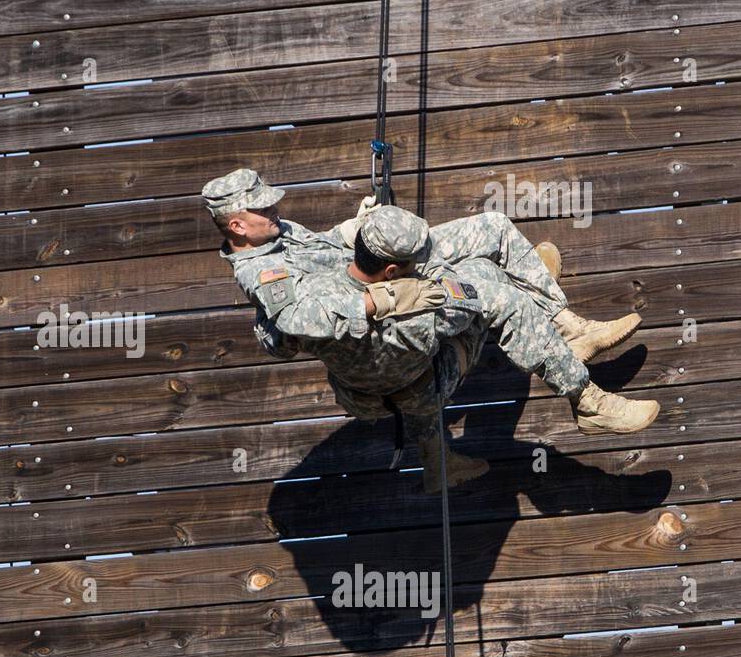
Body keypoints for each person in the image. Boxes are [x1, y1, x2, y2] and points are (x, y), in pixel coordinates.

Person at [205, 168, 658, 492]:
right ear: (238, 224)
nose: (276, 209)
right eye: (265, 208)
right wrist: (393, 296)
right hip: (394, 325)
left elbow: (325, 253)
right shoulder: (263, 274)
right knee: (493, 289)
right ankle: (587, 398)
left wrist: (358, 228)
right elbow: (297, 321)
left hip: (376, 304)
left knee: (493, 230)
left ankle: (563, 325)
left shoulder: (276, 234)